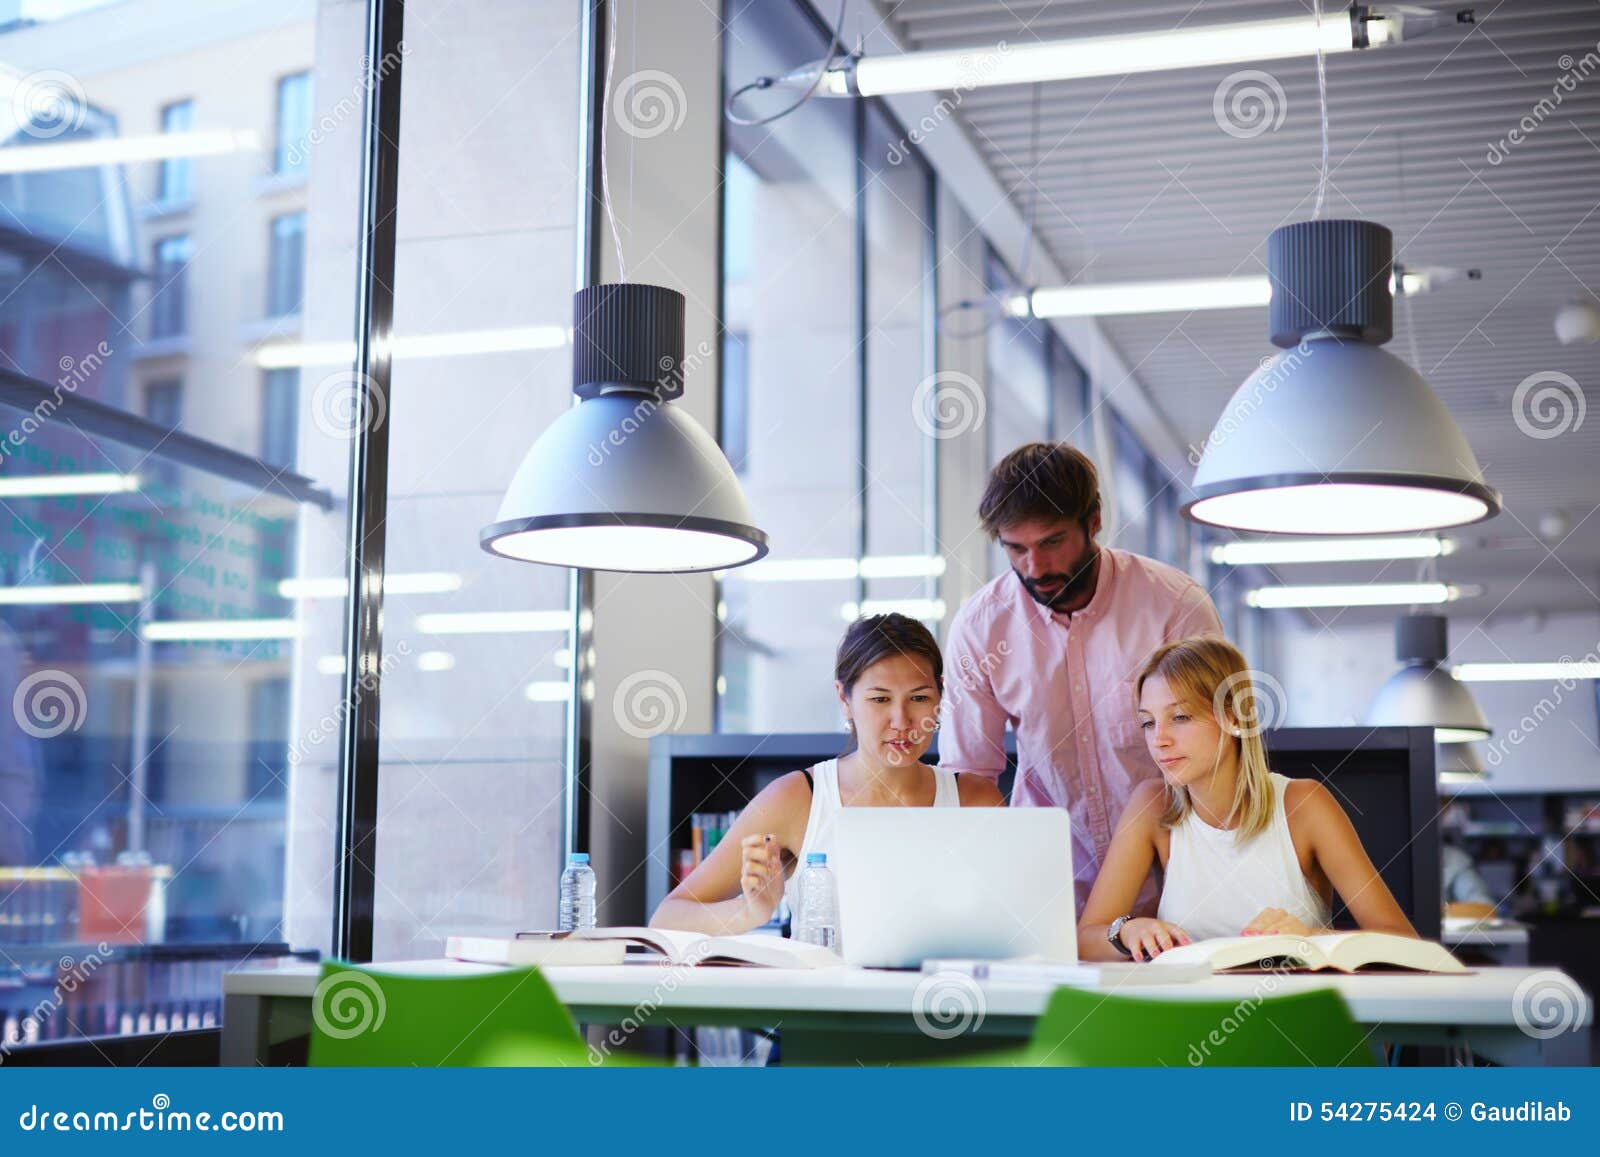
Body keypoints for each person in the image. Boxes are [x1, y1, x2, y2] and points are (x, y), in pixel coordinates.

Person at [940, 441, 1223, 916]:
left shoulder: (1174, 604)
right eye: (1015, 549)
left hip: (1177, 882)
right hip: (1046, 888)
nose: (1035, 568)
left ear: (1093, 521)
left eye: (1052, 542)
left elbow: (1217, 757)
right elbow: (969, 777)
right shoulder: (982, 626)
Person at [649, 613, 1003, 935]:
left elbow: (1019, 924)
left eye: (919, 698)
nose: (902, 721)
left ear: (940, 697)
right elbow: (668, 917)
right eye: (880, 700)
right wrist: (752, 910)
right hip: (826, 1003)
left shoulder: (976, 801)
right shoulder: (797, 798)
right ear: (844, 699)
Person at [1078, 636, 1418, 961]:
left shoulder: (1305, 804)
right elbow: (1085, 939)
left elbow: (1402, 942)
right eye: (1148, 723)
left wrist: (1310, 939)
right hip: (1190, 1013)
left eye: (1180, 717)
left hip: (1290, 1011)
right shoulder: (1152, 806)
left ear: (1235, 717)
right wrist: (1125, 933)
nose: (1159, 740)